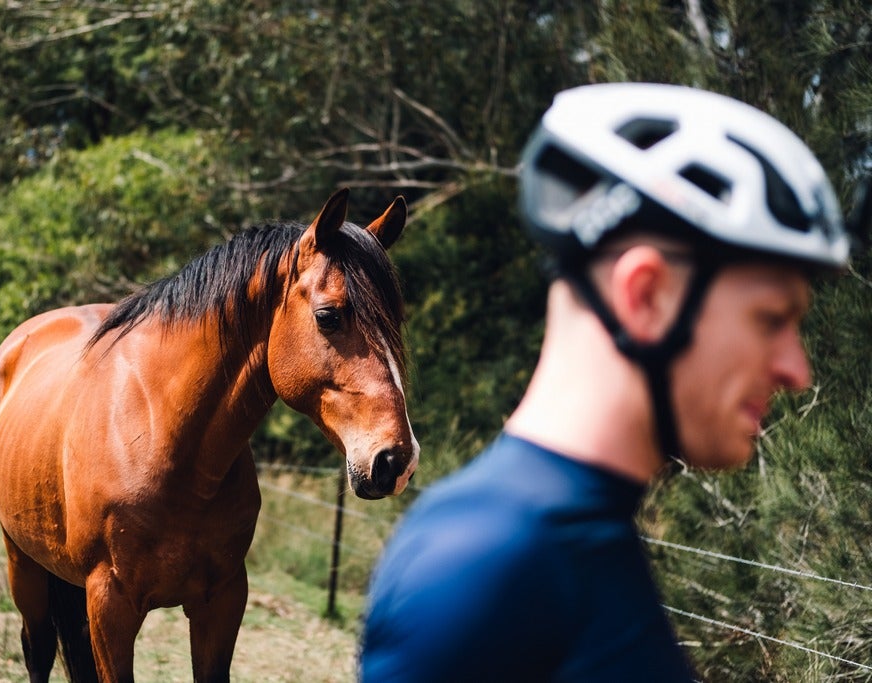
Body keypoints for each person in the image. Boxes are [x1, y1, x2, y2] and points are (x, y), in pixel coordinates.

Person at [359, 82, 855, 682]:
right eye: (771, 319)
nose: (797, 371)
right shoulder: (488, 564)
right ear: (644, 296)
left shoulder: (563, 544)